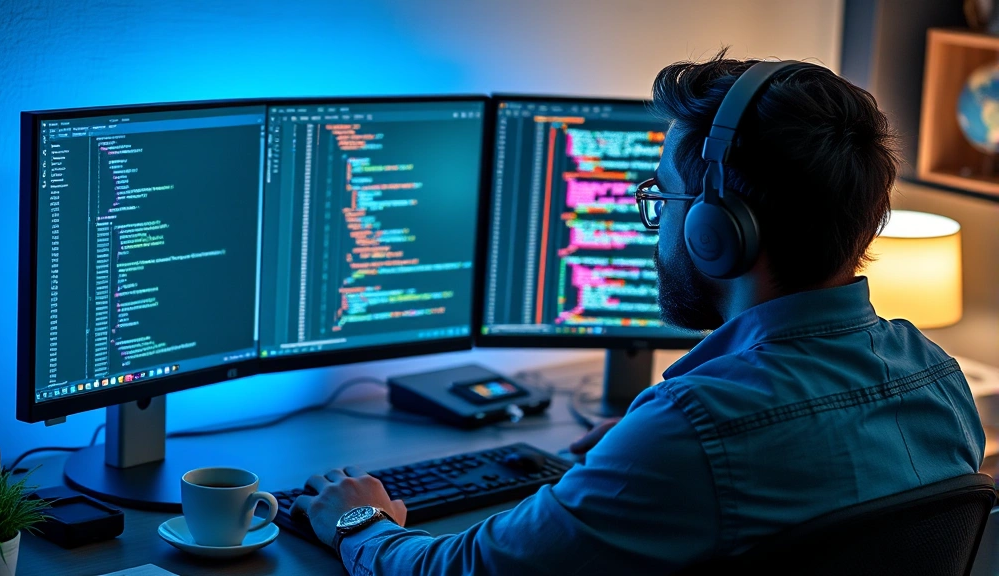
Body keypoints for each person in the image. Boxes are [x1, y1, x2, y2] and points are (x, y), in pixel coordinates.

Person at [291, 52, 985, 575]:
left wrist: (358, 519)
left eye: (665, 198)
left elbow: (462, 569)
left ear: (718, 230)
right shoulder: (940, 380)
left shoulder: (693, 432)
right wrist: (631, 460)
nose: (657, 226)